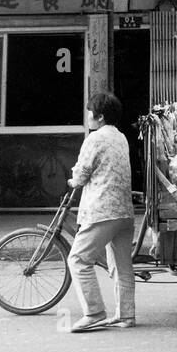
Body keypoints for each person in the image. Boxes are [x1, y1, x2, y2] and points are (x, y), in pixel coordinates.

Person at [66, 91, 136, 332]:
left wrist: (73, 181)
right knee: (122, 266)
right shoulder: (121, 138)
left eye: (89, 112)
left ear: (100, 116)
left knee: (78, 259)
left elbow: (82, 172)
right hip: (124, 211)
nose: (87, 116)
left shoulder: (95, 138)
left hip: (102, 210)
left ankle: (94, 313)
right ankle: (126, 315)